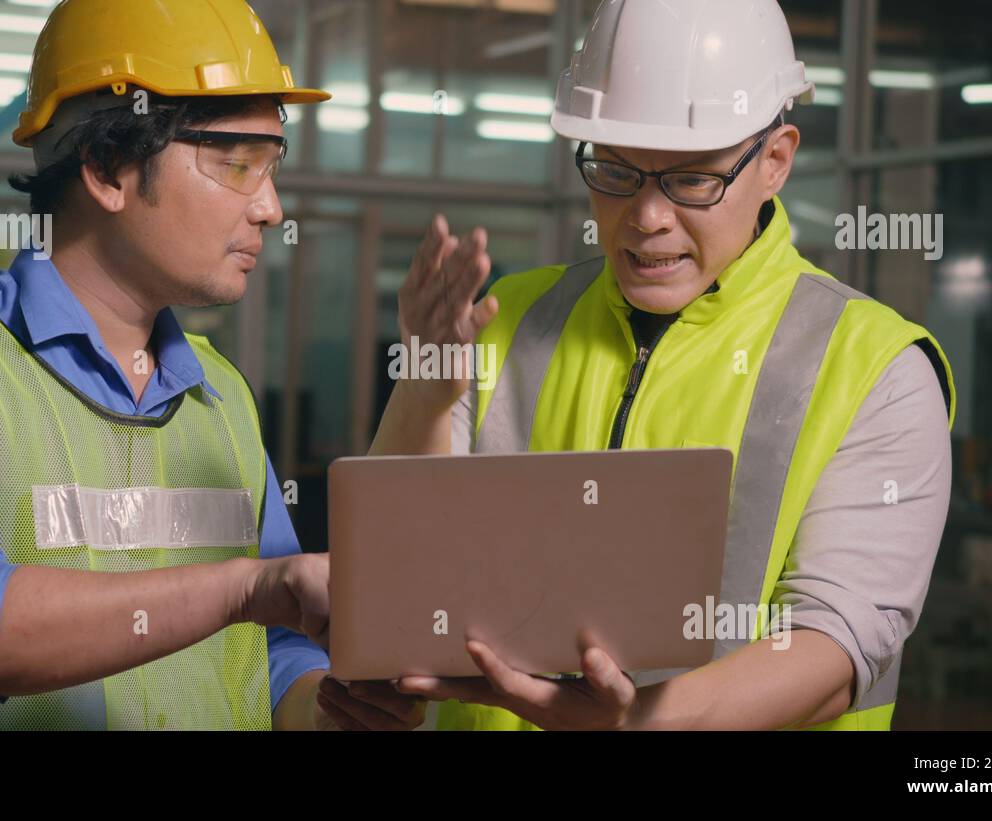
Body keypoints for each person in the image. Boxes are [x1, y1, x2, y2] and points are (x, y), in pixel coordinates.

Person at [0, 0, 422, 731]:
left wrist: (327, 709)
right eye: (238, 161)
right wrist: (247, 587)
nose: (271, 209)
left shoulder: (221, 394)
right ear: (106, 166)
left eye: (272, 164)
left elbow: (273, 652)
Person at [373, 0, 955, 730]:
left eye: (691, 179)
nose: (647, 216)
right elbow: (398, 579)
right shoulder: (504, 321)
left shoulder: (875, 368)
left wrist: (630, 723)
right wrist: (425, 390)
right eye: (615, 171)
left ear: (775, 161)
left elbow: (832, 647)